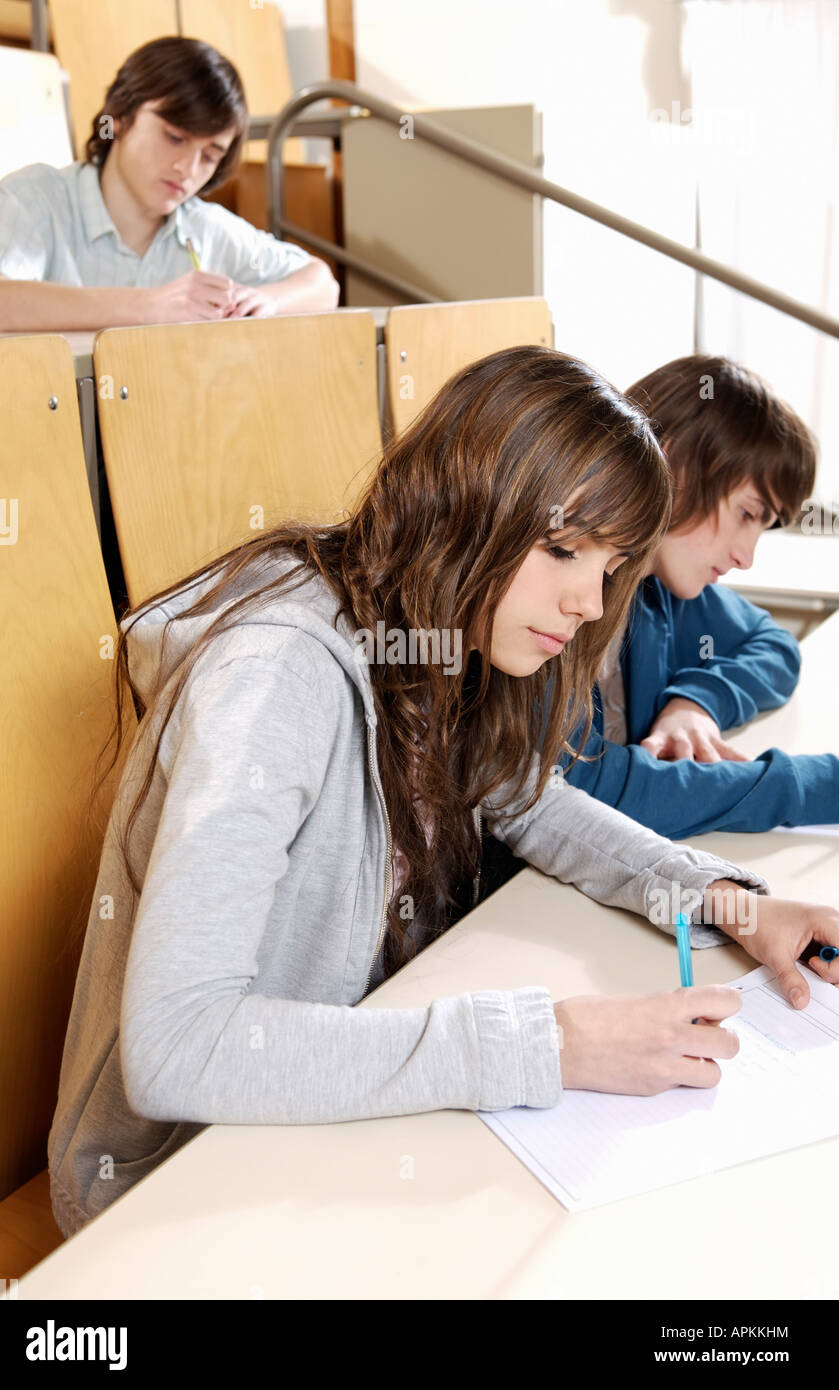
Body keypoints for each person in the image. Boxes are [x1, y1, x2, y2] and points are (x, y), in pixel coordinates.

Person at [47, 347, 839, 1239]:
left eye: (610, 568)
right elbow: (178, 1046)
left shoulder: (437, 636)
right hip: (184, 1184)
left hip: (341, 1111)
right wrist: (551, 1044)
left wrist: (726, 901)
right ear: (463, 503)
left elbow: (528, 802)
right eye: (561, 550)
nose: (587, 600)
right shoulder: (279, 677)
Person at [537, 354, 838, 839]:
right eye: (747, 514)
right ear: (674, 464)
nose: (746, 557)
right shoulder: (552, 598)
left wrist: (696, 701)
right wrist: (818, 787)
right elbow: (594, 792)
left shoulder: (658, 589)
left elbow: (774, 646)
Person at [0, 37, 338, 331]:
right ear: (119, 117)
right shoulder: (35, 199)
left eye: (210, 155)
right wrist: (151, 306)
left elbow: (323, 284)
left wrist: (270, 301)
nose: (188, 168)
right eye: (175, 138)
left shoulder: (207, 228)